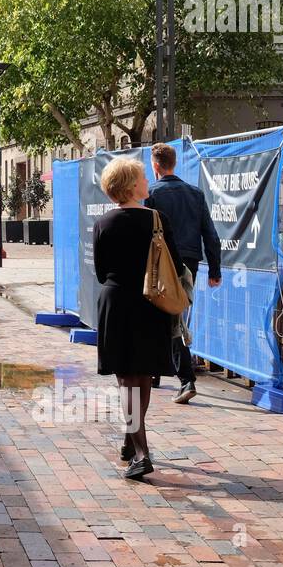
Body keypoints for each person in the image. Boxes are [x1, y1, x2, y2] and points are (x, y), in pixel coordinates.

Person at [93, 157, 185, 479]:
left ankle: (141, 451)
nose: (148, 181)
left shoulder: (103, 224)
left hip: (116, 303)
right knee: (142, 378)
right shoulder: (157, 220)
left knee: (126, 382)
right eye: (143, 177)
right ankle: (133, 445)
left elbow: (101, 271)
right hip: (150, 304)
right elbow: (174, 261)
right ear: (132, 185)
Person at [146, 142, 222, 404]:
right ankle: (155, 372)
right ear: (173, 163)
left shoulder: (152, 194)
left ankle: (185, 378)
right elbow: (210, 235)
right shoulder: (195, 194)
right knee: (174, 315)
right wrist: (215, 269)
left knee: (167, 318)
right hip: (189, 262)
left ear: (155, 165)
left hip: (160, 263)